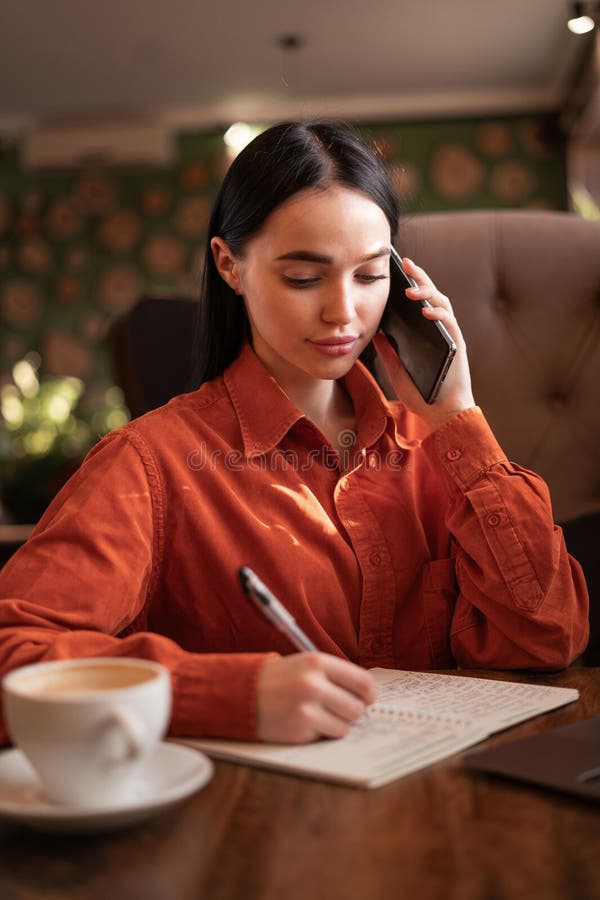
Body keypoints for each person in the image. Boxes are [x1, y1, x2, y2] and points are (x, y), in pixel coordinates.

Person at [0, 122, 589, 745]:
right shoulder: (151, 463)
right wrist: (232, 694)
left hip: (437, 803)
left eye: (368, 276)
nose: (343, 312)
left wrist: (459, 419)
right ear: (230, 265)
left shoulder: (435, 449)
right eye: (304, 278)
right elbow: (12, 655)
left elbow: (549, 637)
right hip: (247, 820)